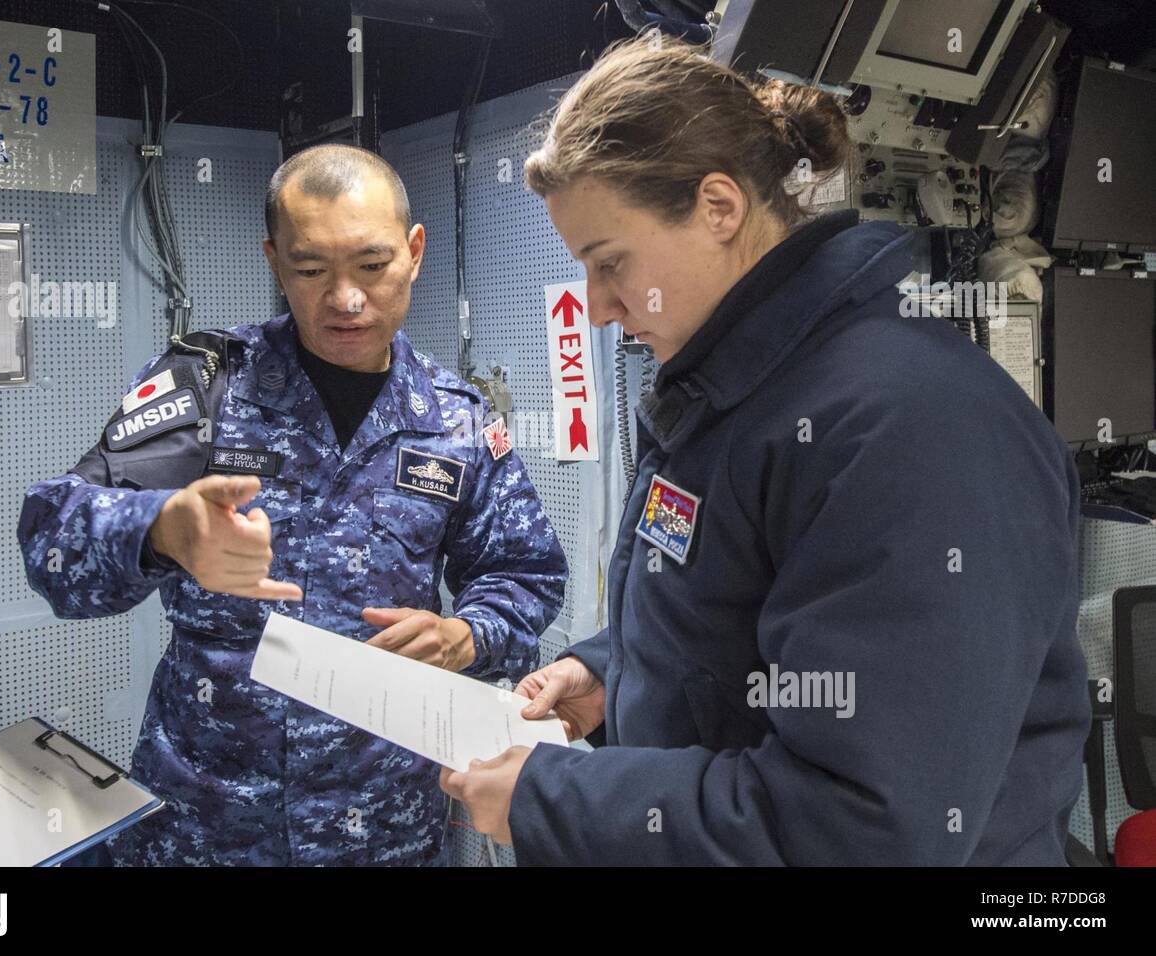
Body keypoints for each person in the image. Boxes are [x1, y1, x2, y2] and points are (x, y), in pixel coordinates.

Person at [442, 36, 1091, 865]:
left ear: (719, 206)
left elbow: (858, 827)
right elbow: (745, 610)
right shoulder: (744, 387)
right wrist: (617, 671)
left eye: (611, 265)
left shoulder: (905, 429)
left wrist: (552, 799)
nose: (599, 307)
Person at [19, 144, 567, 865]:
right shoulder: (209, 384)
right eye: (311, 270)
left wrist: (469, 635)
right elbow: (52, 537)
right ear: (275, 261)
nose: (344, 298)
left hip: (387, 832)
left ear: (414, 252)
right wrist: (160, 530)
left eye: (371, 266)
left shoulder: (455, 420)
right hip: (206, 829)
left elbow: (525, 574)